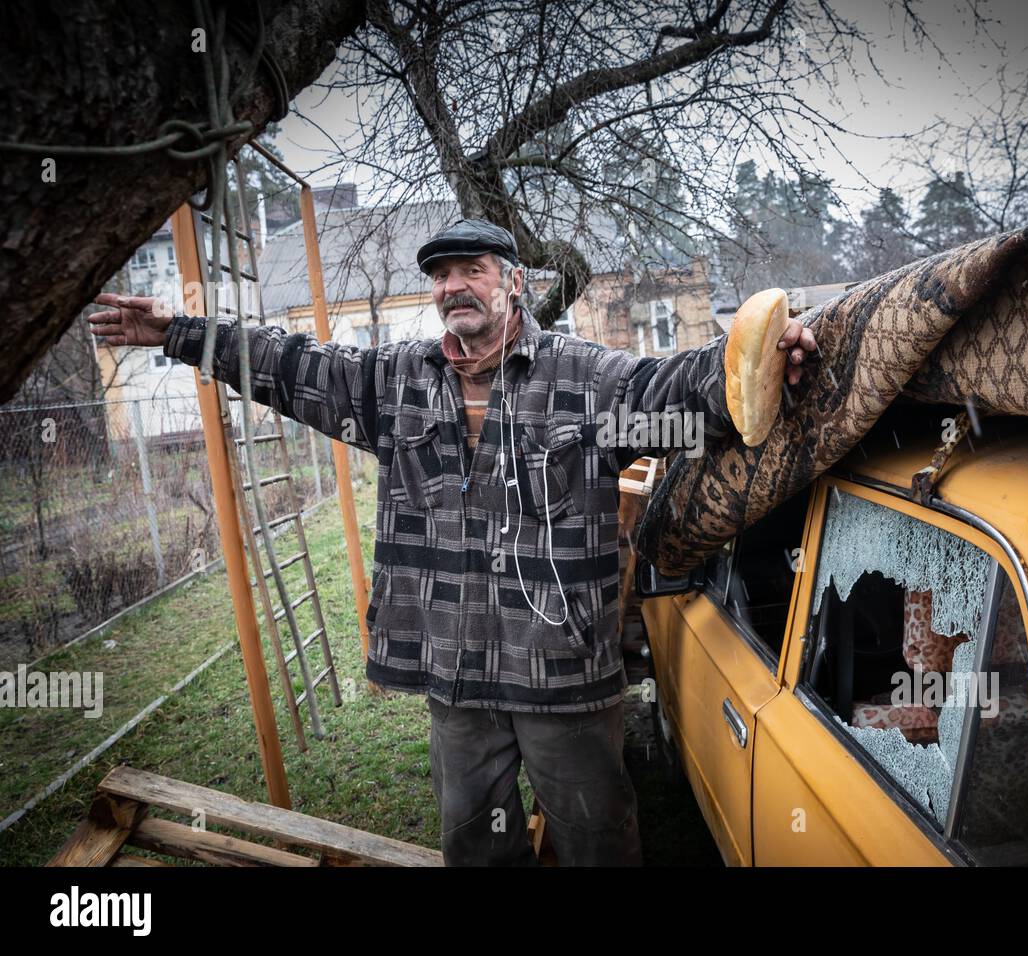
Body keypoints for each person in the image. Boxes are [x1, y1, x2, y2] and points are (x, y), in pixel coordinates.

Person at [89, 218, 818, 865]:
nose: (453, 286)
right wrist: (177, 332)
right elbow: (287, 363)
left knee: (596, 836)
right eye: (441, 274)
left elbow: (677, 388)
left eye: (472, 269)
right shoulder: (396, 382)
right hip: (455, 670)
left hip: (560, 671)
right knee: (473, 840)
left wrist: (762, 361)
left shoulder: (588, 378)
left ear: (515, 283)